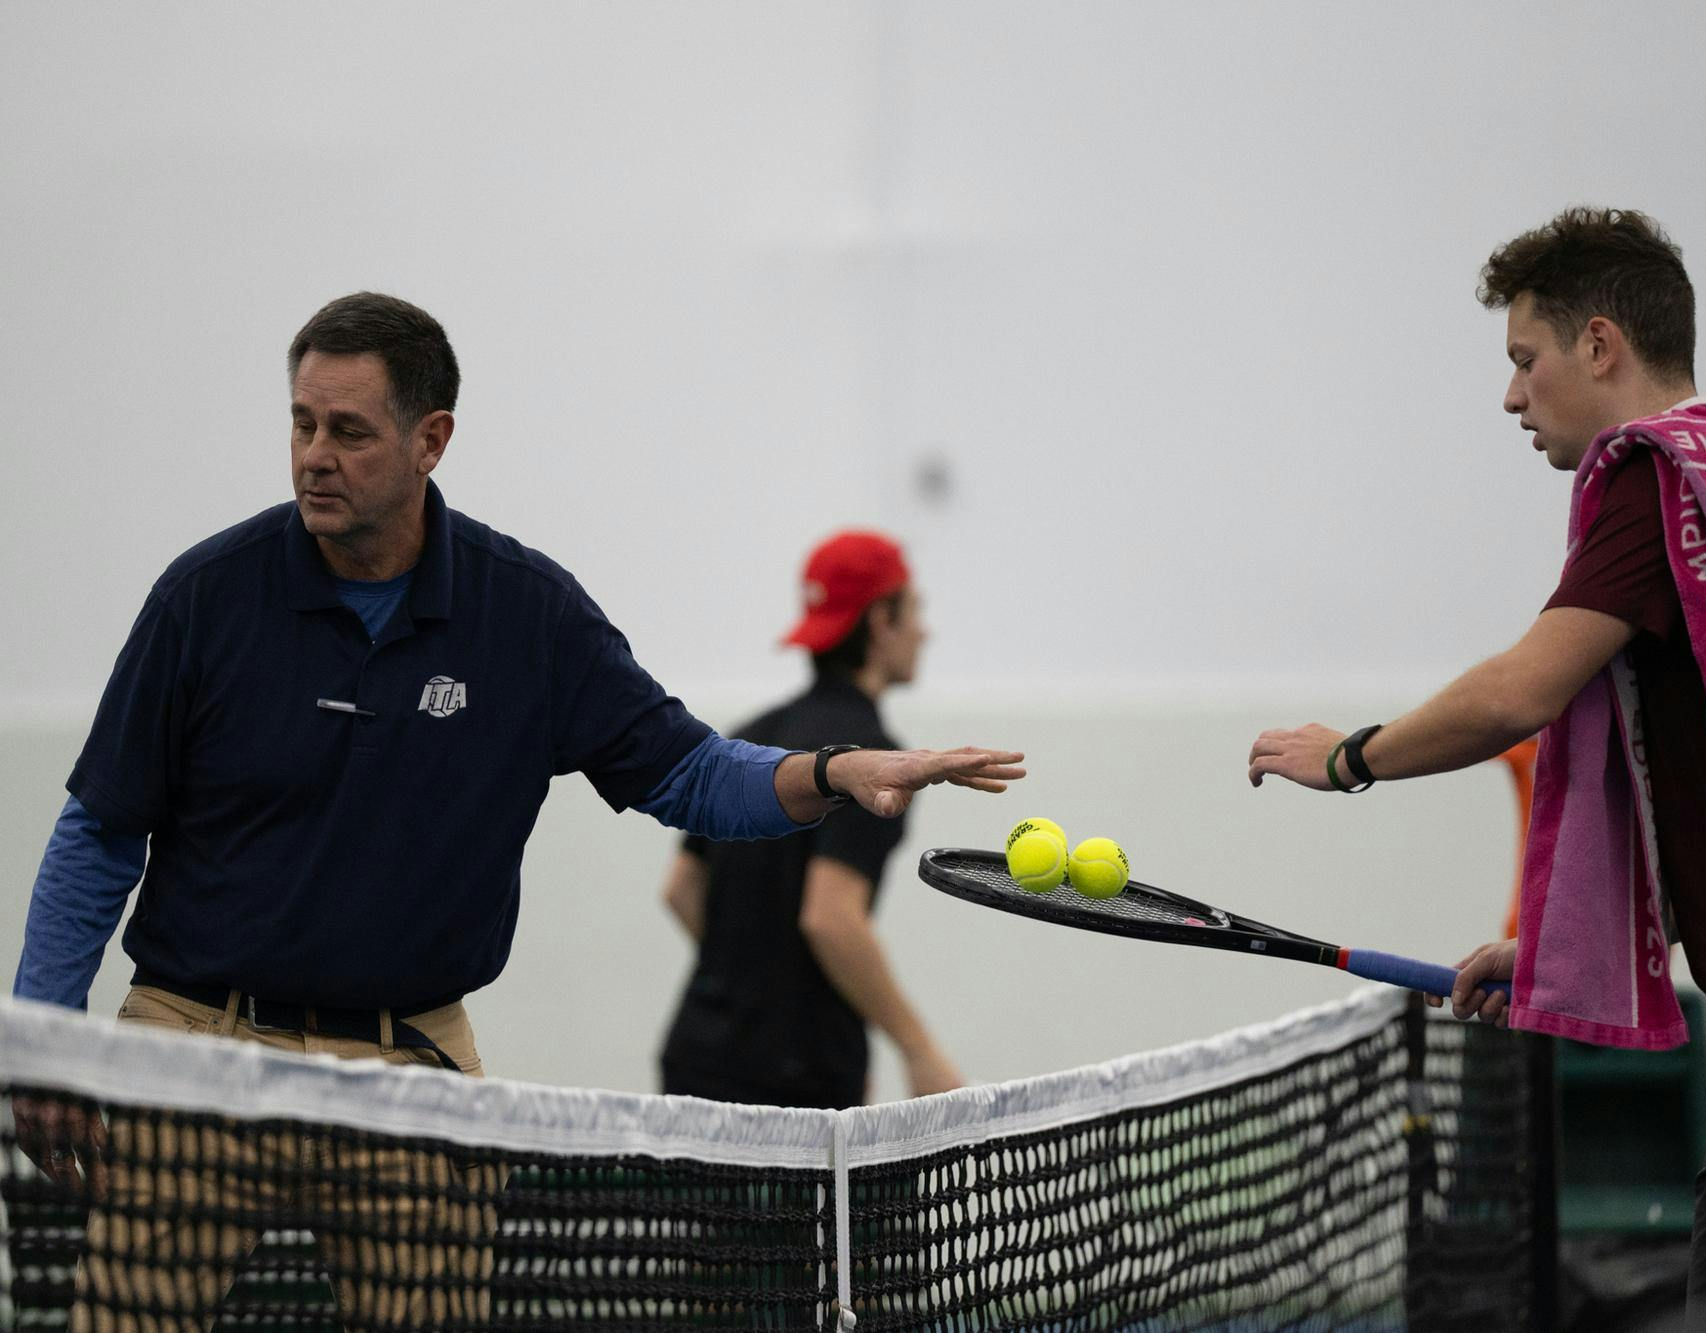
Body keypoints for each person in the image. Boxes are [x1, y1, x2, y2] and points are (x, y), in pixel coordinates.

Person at [8, 292, 1024, 1323]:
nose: (315, 454)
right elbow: (98, 831)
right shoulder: (205, 596)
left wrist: (834, 769)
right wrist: (46, 1044)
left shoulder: (527, 615)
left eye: (349, 431)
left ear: (430, 440)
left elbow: (685, 771)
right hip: (192, 1047)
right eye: (301, 422)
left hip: (409, 1067)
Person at [1245, 209, 1706, 1310]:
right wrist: (1544, 946)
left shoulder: (1655, 481)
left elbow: (1518, 692)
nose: (1508, 397)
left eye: (1521, 360)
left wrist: (1349, 756)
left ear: (1597, 346)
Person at [657, 530, 961, 1108]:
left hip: (697, 1057)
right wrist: (921, 1052)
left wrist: (752, 987)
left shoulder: (749, 736)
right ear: (881, 620)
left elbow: (681, 889)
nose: (925, 629)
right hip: (794, 1083)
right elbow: (831, 918)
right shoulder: (873, 759)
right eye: (914, 608)